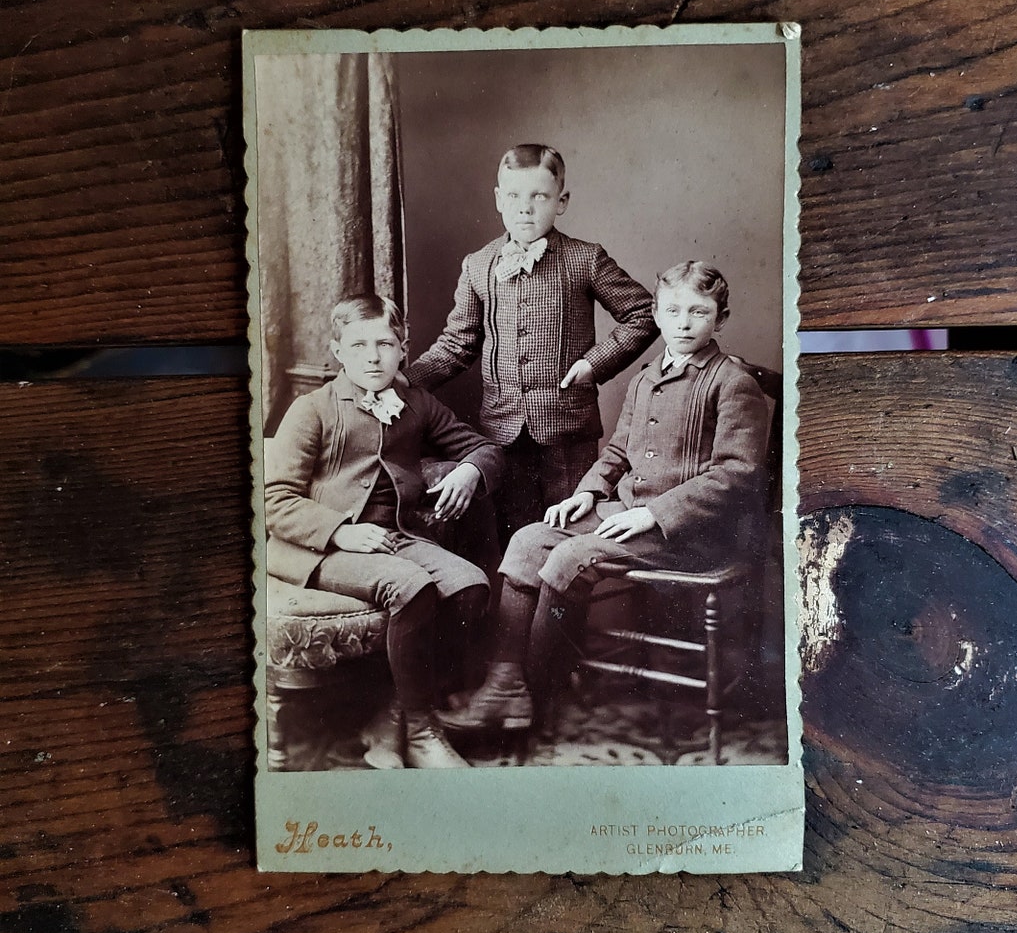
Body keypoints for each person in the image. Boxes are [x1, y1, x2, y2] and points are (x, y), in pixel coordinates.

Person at [439, 262, 773, 733]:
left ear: (720, 319)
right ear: (655, 315)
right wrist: (587, 493)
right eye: (673, 310)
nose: (683, 323)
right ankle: (505, 685)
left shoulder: (732, 383)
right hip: (626, 515)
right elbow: (617, 451)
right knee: (530, 540)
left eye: (699, 312)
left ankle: (535, 690)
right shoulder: (644, 377)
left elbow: (737, 474)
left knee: (573, 556)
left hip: (689, 533)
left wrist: (653, 515)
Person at [265, 294, 503, 768]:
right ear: (337, 351)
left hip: (393, 536)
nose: (372, 357)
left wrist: (470, 471)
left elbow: (484, 447)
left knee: (471, 586)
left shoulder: (416, 403)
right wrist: (338, 533)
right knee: (411, 587)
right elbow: (275, 499)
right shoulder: (312, 409)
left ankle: (388, 715)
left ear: (403, 348)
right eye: (357, 346)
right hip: (317, 548)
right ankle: (421, 732)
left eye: (384, 344)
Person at [407, 144, 657, 545]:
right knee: (515, 536)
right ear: (497, 199)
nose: (525, 208)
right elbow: (457, 344)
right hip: (501, 430)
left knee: (570, 534)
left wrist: (594, 363)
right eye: (514, 196)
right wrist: (403, 382)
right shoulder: (478, 264)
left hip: (567, 428)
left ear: (562, 201)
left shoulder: (584, 258)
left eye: (539, 196)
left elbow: (644, 312)